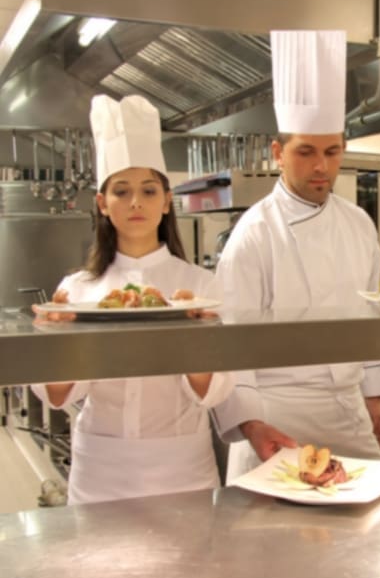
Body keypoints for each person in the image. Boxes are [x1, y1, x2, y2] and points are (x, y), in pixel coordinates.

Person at [31, 94, 233, 505]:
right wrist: (54, 342)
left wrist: (195, 337)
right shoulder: (79, 289)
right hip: (100, 470)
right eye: (121, 191)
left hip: (182, 469)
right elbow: (57, 396)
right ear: (103, 204)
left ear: (166, 201)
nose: (136, 201)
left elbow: (216, 394)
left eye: (148, 190)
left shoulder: (200, 285)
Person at [212, 30, 380, 481]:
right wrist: (252, 424)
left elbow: (369, 320)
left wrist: (374, 393)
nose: (321, 167)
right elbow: (230, 345)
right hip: (278, 418)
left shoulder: (359, 225)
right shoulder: (254, 234)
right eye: (306, 152)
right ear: (278, 153)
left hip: (348, 411)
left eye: (332, 152)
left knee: (363, 535)